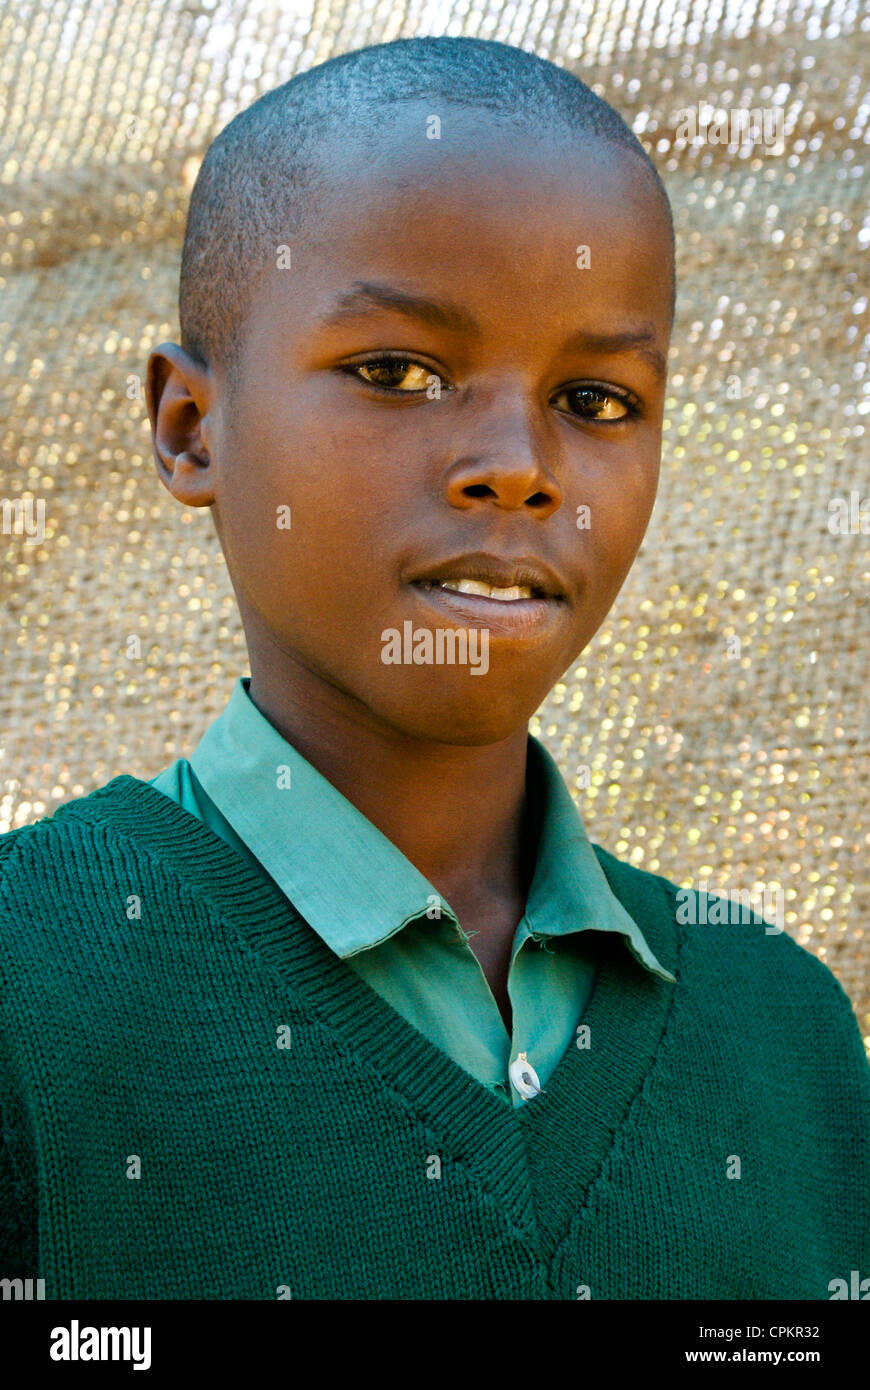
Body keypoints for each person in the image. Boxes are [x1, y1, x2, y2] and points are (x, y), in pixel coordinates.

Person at [1, 35, 867, 1301]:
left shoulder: (781, 1025)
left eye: (598, 399)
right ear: (191, 430)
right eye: (398, 372)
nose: (518, 464)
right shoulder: (35, 985)